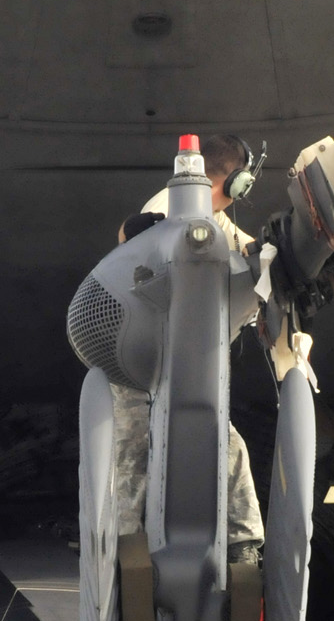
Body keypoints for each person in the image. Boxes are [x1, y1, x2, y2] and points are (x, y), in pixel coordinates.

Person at [113, 132, 264, 557]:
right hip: (143, 354)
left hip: (170, 355)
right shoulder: (171, 211)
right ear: (237, 183)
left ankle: (241, 542)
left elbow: (240, 241)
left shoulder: (204, 212)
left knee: (225, 443)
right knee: (132, 454)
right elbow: (133, 236)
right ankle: (128, 555)